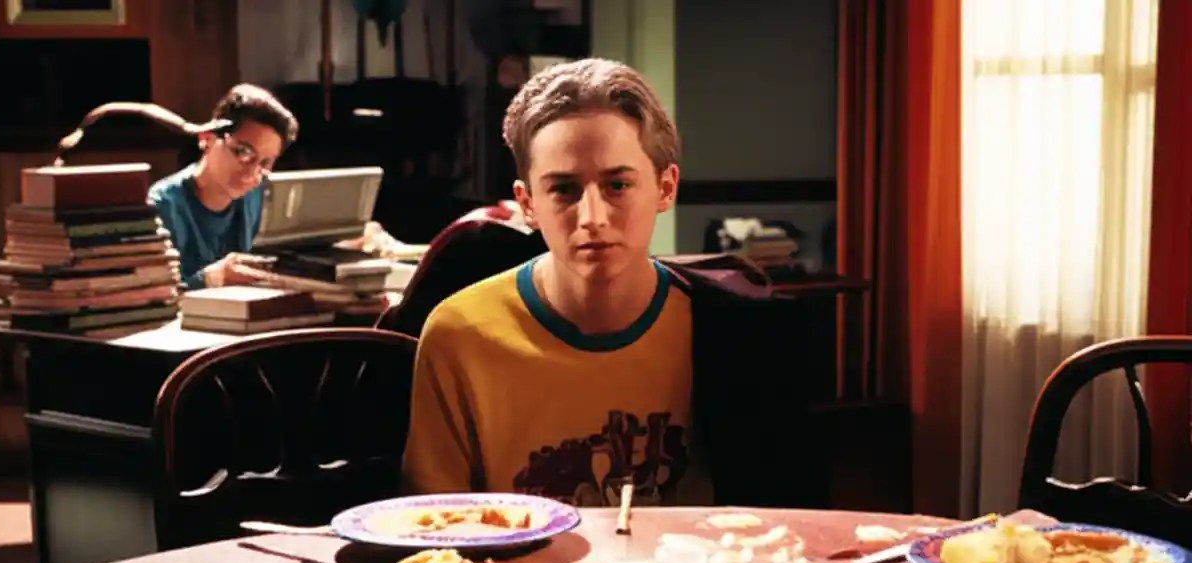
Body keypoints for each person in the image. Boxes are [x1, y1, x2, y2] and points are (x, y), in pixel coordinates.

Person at [401, 58, 826, 510]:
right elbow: (430, 540)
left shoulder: (732, 332)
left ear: (665, 189)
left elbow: (784, 531)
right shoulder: (461, 334)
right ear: (527, 204)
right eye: (564, 190)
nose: (592, 218)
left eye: (618, 185)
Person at [147, 83, 299, 289]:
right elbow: (156, 297)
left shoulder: (258, 195)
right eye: (243, 152)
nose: (252, 175)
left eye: (265, 163)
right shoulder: (161, 206)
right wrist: (211, 278)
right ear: (207, 138)